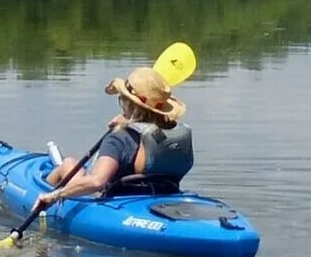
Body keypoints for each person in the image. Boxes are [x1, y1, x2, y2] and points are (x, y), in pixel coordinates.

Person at [29, 66, 194, 218]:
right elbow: (146, 126)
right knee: (72, 164)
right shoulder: (170, 135)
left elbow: (97, 182)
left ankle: (40, 193)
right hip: (164, 194)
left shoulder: (119, 139)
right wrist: (127, 121)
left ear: (128, 102)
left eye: (122, 98)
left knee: (68, 164)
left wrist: (56, 195)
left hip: (119, 202)